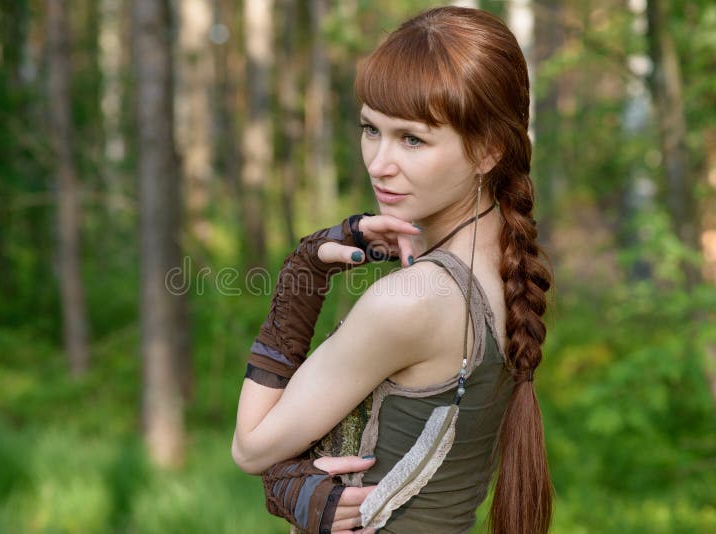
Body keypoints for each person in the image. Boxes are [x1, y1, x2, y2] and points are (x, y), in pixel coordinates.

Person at [232, 6, 552, 534]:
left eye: (412, 139)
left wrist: (304, 271)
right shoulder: (510, 269)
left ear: (488, 150)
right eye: (370, 129)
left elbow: (249, 445)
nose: (379, 163)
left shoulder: (413, 300)